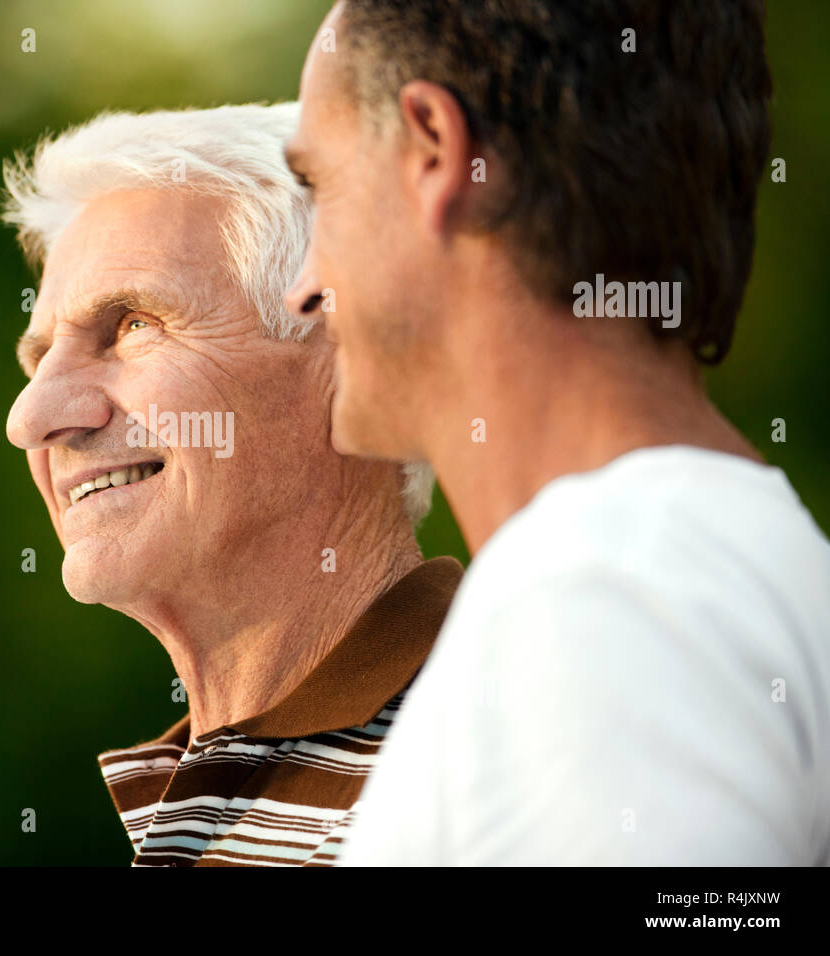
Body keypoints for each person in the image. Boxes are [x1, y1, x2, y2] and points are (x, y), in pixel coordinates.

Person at [283, 0, 830, 864]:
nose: (304, 288)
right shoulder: (713, 563)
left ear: (434, 150)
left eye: (319, 183)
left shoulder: (599, 597)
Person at [2, 103, 462, 865]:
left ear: (353, 359)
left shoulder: (498, 764)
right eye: (40, 355)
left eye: (131, 324)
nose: (32, 416)